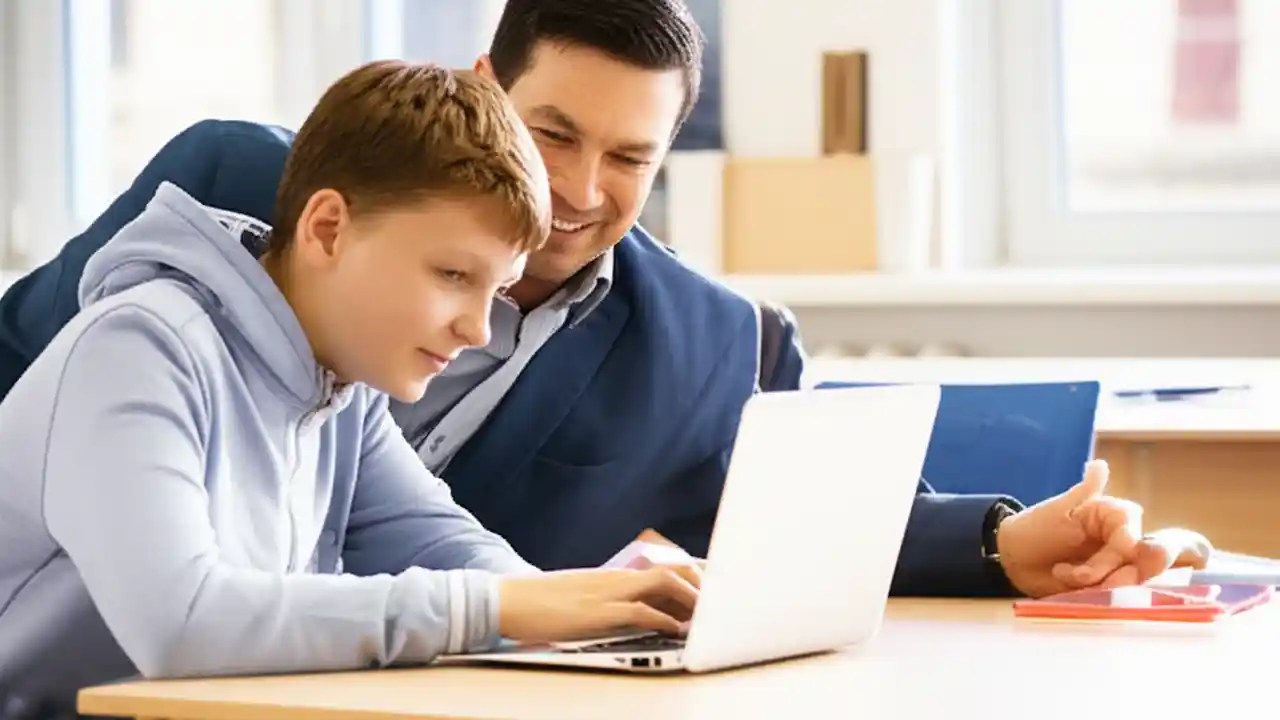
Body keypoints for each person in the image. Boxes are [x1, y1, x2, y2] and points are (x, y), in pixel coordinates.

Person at [0, 0, 1209, 612]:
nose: (578, 194)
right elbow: (24, 355)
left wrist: (999, 543)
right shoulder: (240, 187)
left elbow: (797, 519)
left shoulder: (707, 345)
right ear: (479, 89)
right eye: (553, 134)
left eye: (629, 158)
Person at [0, 61, 705, 719]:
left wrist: (596, 613)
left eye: (494, 289)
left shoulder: (341, 384)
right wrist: (508, 609)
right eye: (453, 276)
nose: (475, 327)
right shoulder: (139, 348)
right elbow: (183, 624)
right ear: (328, 228)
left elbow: (449, 547)